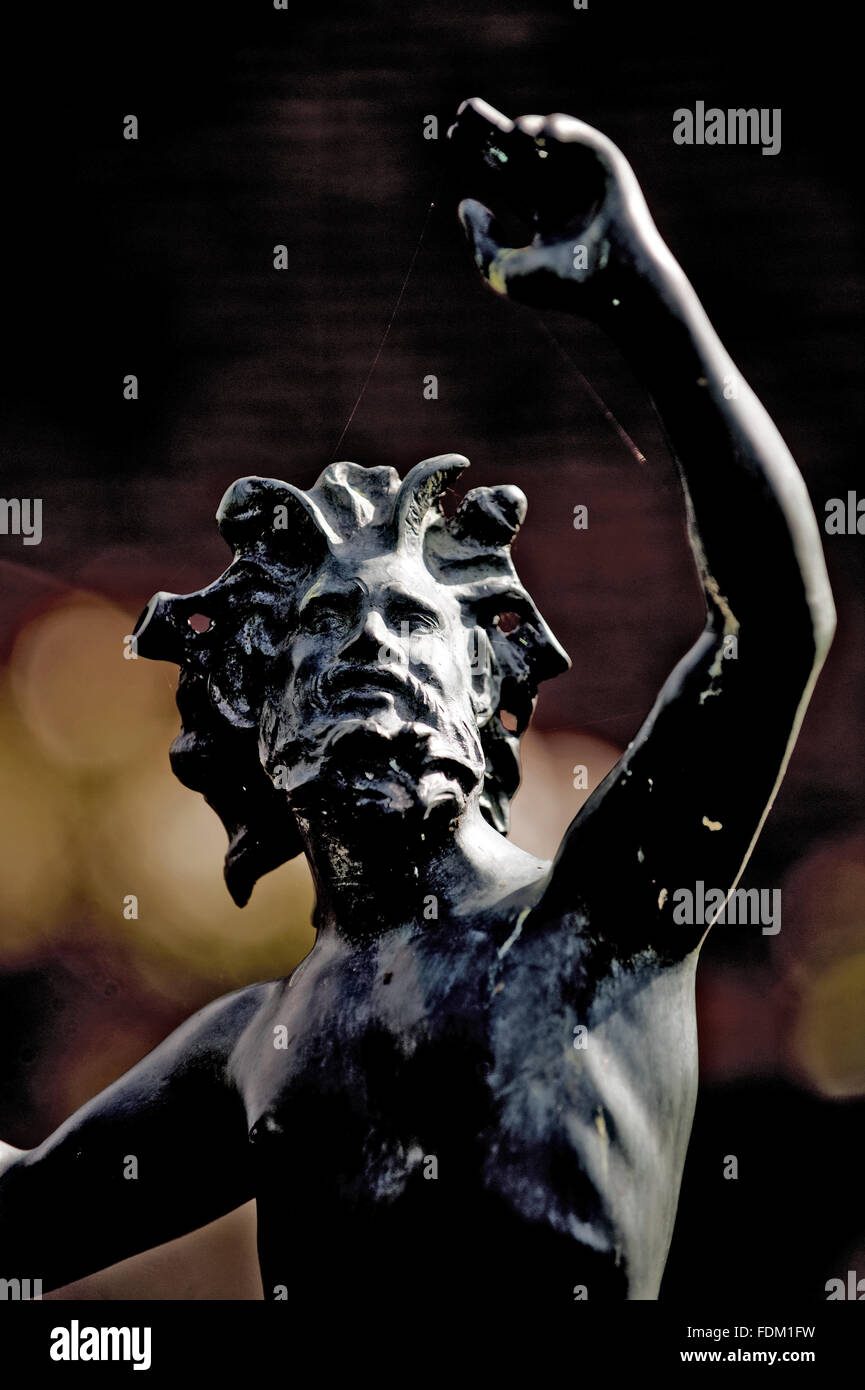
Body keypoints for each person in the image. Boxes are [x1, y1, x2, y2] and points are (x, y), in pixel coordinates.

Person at [0, 99, 834, 1305]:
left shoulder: (597, 919)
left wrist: (636, 289)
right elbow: (24, 1218)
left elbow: (773, 625)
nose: (364, 648)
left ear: (485, 674)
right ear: (256, 717)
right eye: (322, 631)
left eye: (405, 621)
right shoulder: (257, 1045)